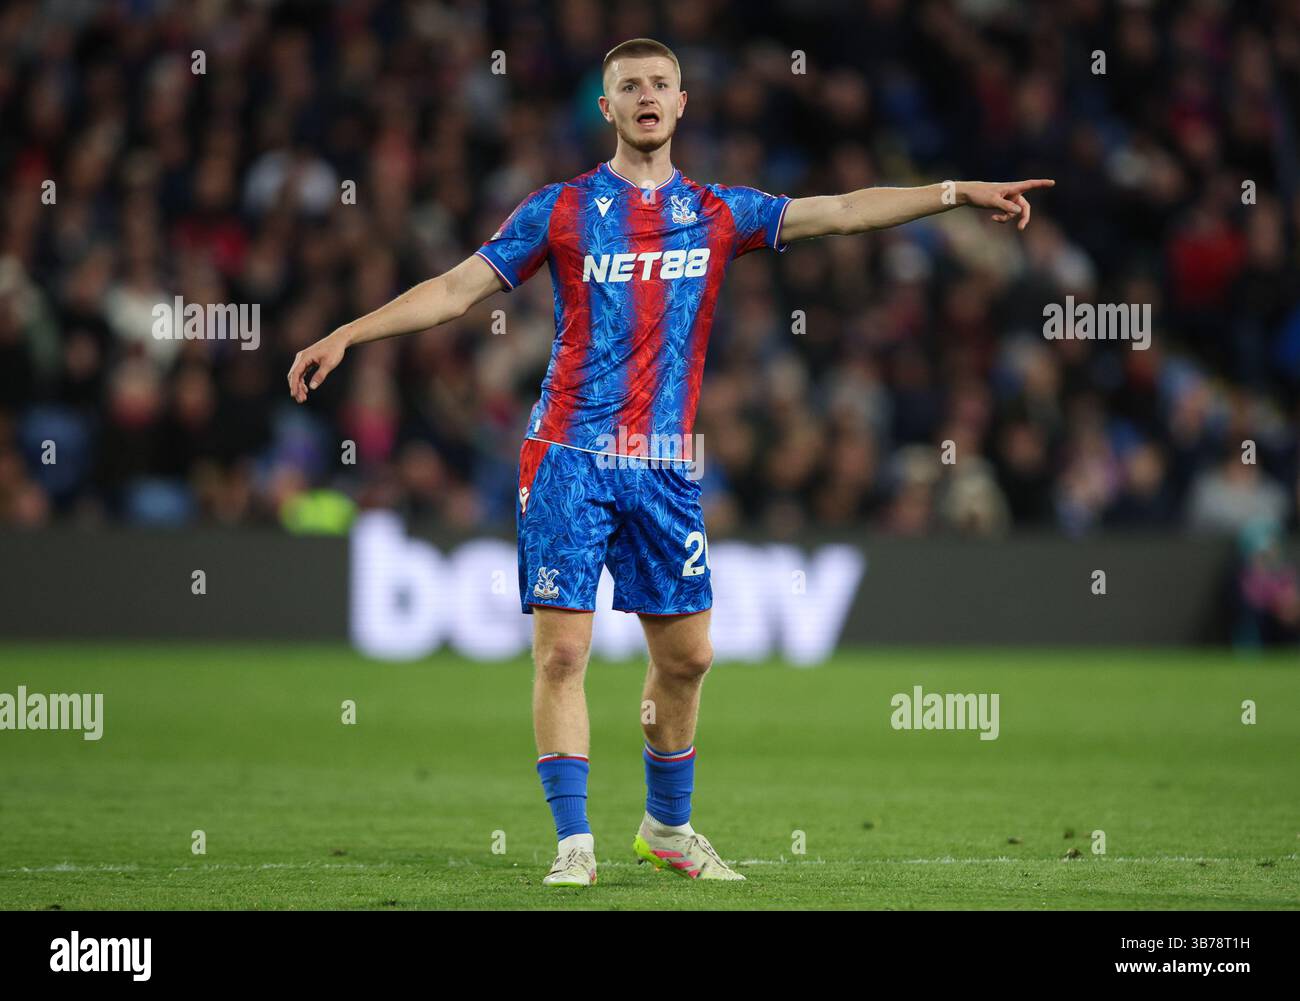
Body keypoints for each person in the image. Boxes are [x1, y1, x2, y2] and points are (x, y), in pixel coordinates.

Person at [287, 37, 1053, 886]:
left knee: (687, 658)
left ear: (683, 104)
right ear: (607, 108)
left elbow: (840, 211)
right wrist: (348, 332)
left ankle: (666, 828)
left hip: (663, 465)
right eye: (628, 87)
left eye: (660, 84)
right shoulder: (561, 208)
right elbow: (456, 289)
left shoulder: (718, 210)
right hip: (569, 456)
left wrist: (954, 193)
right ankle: (573, 842)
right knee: (561, 655)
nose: (646, 96)